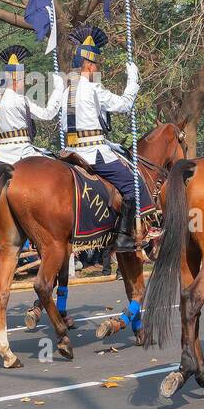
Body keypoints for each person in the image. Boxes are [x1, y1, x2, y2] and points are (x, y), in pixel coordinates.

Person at [63, 26, 141, 251]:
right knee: (131, 184)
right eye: (95, 64)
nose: (97, 68)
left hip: (71, 152)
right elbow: (124, 105)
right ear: (88, 65)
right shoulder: (93, 88)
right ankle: (125, 237)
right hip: (94, 154)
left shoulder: (65, 90)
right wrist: (132, 80)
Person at [0, 45, 64, 163]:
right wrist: (59, 88)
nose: (24, 83)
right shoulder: (20, 100)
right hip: (22, 153)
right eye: (22, 80)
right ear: (15, 81)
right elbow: (47, 114)